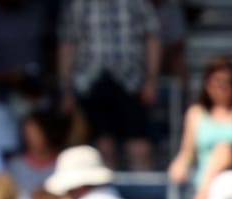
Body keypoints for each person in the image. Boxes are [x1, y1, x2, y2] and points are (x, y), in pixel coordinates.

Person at [58, 0, 160, 171]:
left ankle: (143, 196)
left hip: (131, 81)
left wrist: (151, 80)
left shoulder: (138, 3)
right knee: (102, 148)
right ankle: (105, 195)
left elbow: (152, 37)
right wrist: (66, 89)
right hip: (90, 82)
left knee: (139, 149)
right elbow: (68, 43)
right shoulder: (78, 4)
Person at [167, 55, 232, 192]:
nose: (221, 88)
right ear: (207, 85)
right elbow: (187, 152)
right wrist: (180, 165)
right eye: (216, 82)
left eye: (227, 83)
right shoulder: (196, 113)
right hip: (205, 186)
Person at [7, 109, 68, 199]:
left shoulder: (65, 162)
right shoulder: (14, 166)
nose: (32, 138)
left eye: (36, 133)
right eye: (28, 133)